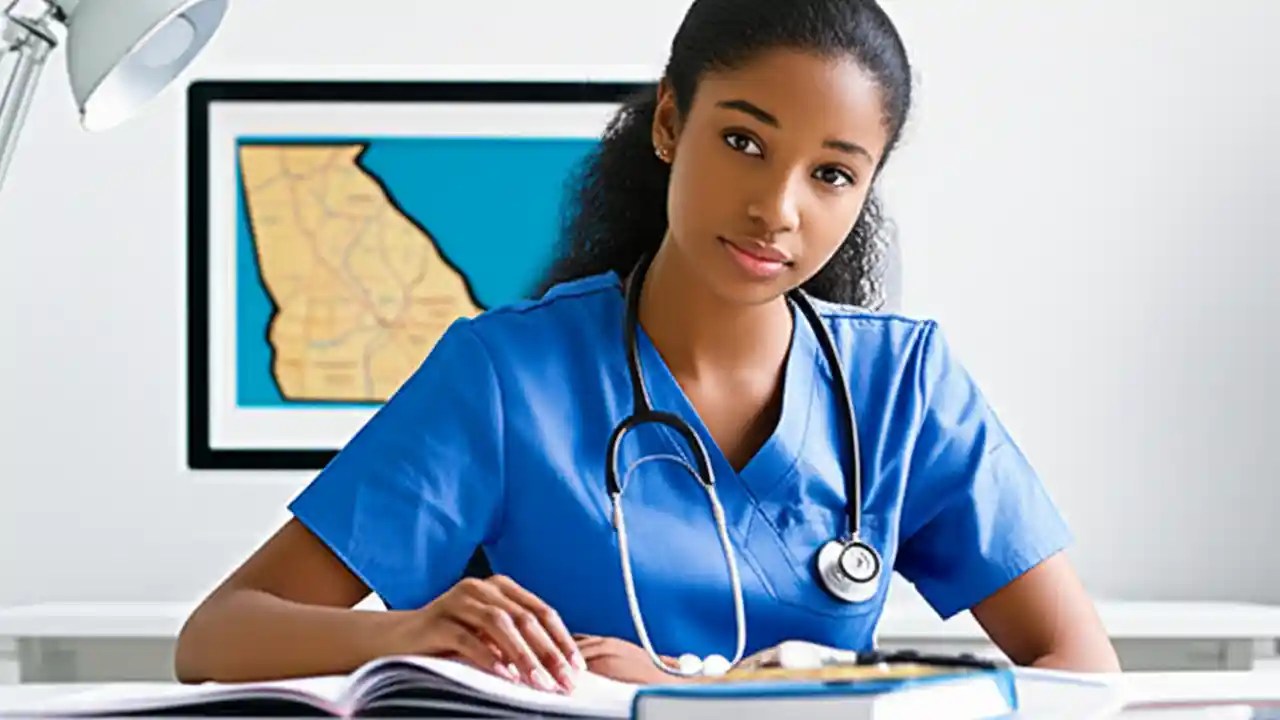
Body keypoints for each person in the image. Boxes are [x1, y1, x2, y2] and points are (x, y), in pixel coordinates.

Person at [174, 0, 1121, 692]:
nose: (778, 208)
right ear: (670, 123)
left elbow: (1081, 668)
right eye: (744, 142)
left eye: (832, 174)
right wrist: (415, 636)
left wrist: (706, 690)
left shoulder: (903, 386)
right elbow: (217, 638)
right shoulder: (506, 377)